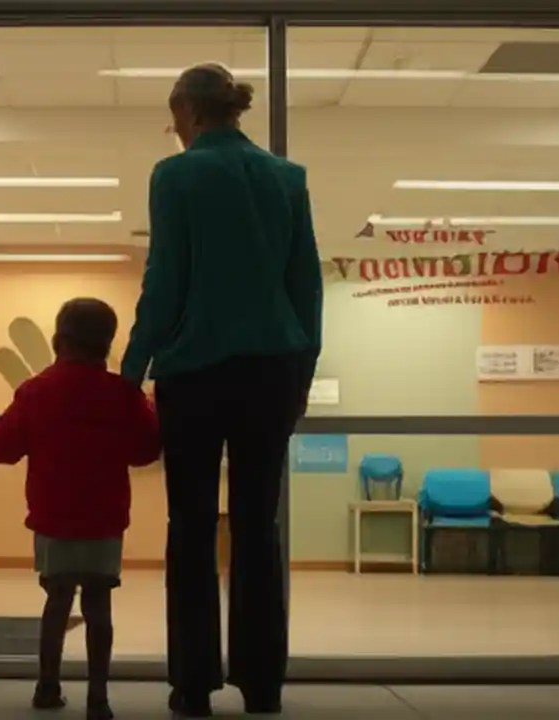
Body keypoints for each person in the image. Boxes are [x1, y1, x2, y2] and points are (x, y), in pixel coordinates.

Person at [121, 63, 323, 718]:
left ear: (188, 111)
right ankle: (263, 684)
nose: (172, 129)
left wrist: (132, 368)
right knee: (258, 528)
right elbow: (306, 287)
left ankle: (193, 684)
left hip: (196, 372)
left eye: (173, 117)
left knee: (192, 526)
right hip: (273, 370)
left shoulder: (176, 174)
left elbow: (166, 279)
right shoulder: (287, 179)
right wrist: (303, 373)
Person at [0, 298, 161, 720]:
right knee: (99, 606)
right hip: (104, 520)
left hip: (54, 517)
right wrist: (153, 405)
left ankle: (47, 686)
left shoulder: (38, 391)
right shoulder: (121, 394)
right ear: (107, 344)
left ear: (58, 340)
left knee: (57, 601)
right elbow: (145, 449)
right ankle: (98, 699)